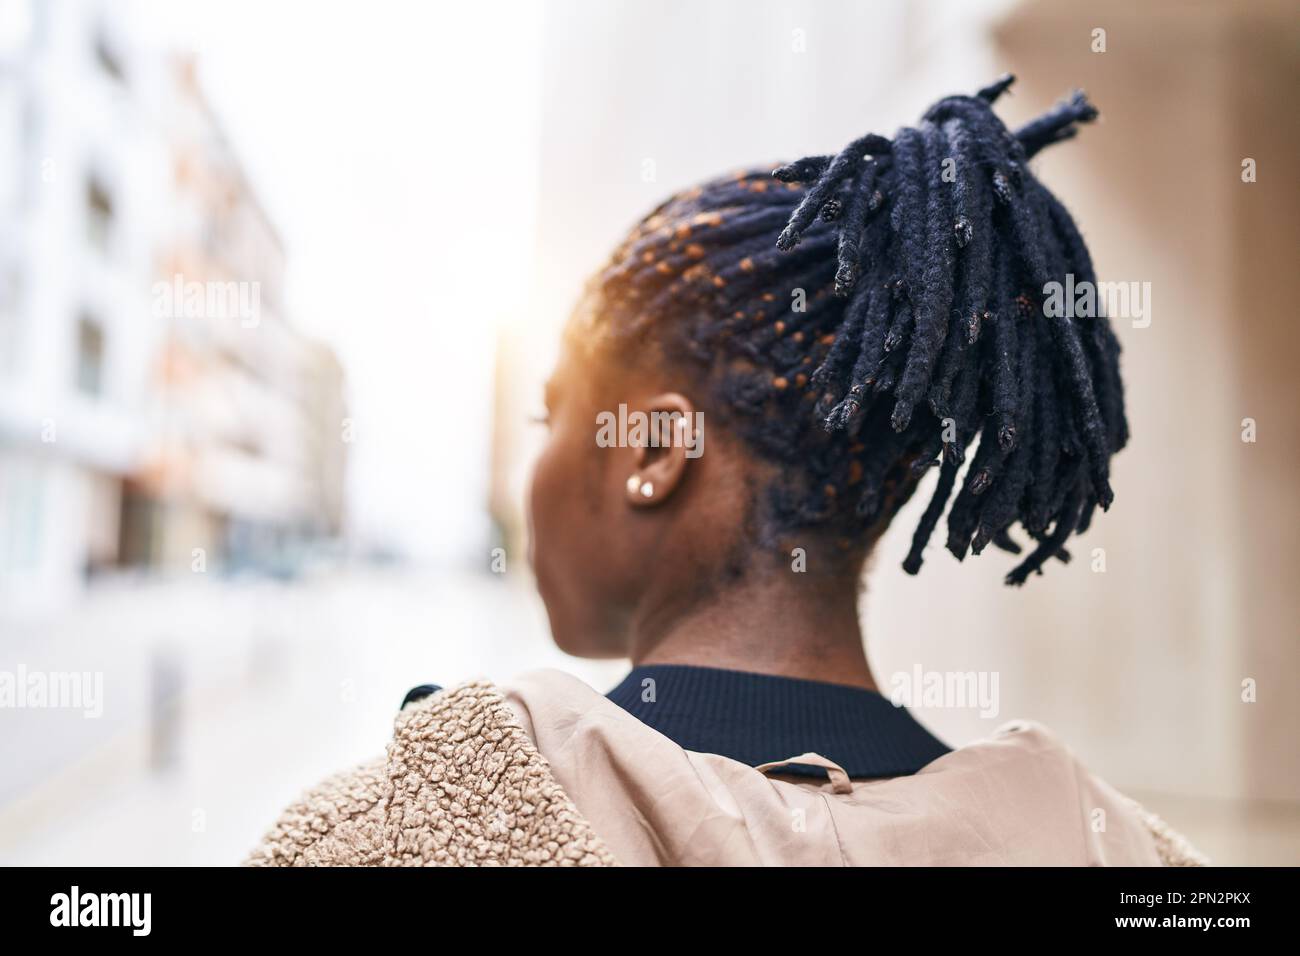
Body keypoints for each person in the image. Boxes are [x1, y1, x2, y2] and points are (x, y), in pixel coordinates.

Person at [247, 77, 1204, 867]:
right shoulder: (1128, 859)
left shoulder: (381, 839)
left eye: (553, 415)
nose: (528, 474)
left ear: (654, 454)